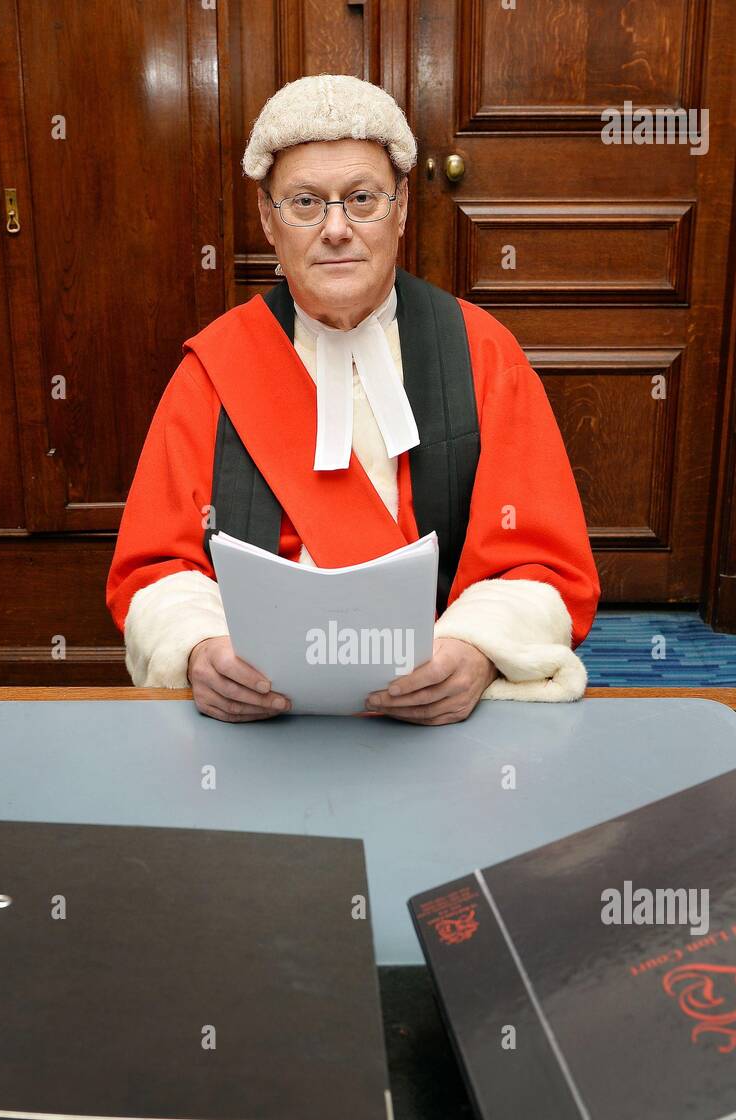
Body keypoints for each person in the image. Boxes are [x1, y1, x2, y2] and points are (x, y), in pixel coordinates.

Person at [106, 74, 600, 724]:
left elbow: (540, 557)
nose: (336, 228)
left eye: (361, 199)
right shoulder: (213, 370)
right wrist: (199, 652)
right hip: (260, 709)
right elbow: (156, 563)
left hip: (432, 704)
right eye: (306, 203)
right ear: (268, 220)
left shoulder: (484, 354)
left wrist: (476, 653)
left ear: (399, 210)